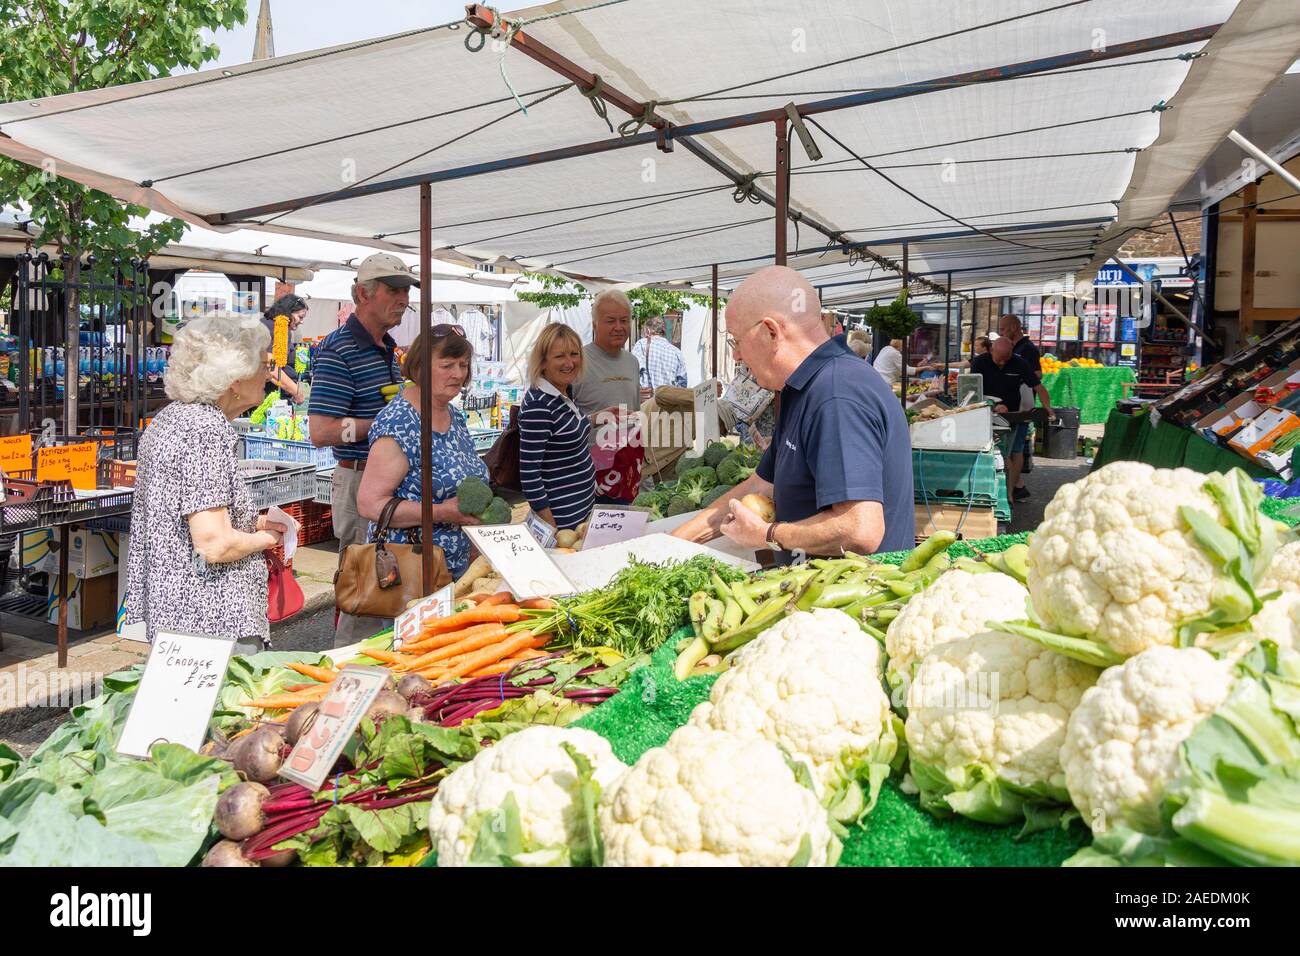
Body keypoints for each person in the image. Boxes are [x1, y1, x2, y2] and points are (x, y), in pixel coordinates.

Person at [672, 266, 915, 560]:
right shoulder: (801, 387)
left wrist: (768, 535)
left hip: (848, 602)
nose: (736, 355)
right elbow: (762, 484)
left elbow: (859, 530)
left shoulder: (837, 394)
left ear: (771, 332)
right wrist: (671, 543)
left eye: (736, 341)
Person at [123, 314, 289, 652]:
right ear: (235, 379)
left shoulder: (171, 418)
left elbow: (185, 515)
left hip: (178, 617)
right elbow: (214, 544)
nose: (269, 374)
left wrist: (252, 521)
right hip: (214, 623)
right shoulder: (205, 430)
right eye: (263, 364)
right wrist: (268, 538)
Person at [353, 327, 486, 643]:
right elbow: (370, 503)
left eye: (463, 365)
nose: (458, 374)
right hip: (413, 573)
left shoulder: (454, 415)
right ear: (421, 366)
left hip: (455, 574)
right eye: (448, 365)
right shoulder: (399, 421)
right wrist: (443, 512)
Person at [308, 253, 415, 642]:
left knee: (388, 585)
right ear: (362, 294)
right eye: (393, 290)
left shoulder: (388, 347)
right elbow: (321, 431)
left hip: (385, 483)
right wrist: (386, 426)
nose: (403, 299)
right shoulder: (339, 351)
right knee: (363, 588)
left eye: (405, 291)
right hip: (358, 483)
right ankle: (347, 674)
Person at [519, 323, 597, 531]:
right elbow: (529, 473)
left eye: (574, 354)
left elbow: (563, 431)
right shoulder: (539, 404)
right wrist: (549, 525)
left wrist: (597, 418)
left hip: (580, 512)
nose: (569, 363)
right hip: (561, 521)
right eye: (560, 356)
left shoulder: (562, 392)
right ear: (543, 361)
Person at [571, 289, 642, 504]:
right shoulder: (576, 362)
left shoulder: (632, 362)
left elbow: (635, 411)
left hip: (628, 468)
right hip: (589, 473)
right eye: (611, 321)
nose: (619, 327)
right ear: (594, 324)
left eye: (624, 320)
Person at [972, 337, 1053, 507]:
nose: (1002, 363)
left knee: (1009, 455)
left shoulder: (1019, 363)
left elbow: (1039, 387)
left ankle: (1007, 494)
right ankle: (989, 492)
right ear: (991, 350)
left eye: (1006, 359)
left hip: (1012, 416)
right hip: (985, 414)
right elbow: (973, 391)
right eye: (998, 359)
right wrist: (993, 405)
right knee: (995, 455)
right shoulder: (979, 362)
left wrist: (1048, 408)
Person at [998, 315, 1043, 502]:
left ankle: (1013, 489)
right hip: (1009, 406)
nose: (1001, 333)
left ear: (1014, 327)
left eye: (1003, 329)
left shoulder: (1028, 348)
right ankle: (1018, 487)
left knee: (1014, 450)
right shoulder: (1012, 346)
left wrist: (1019, 375)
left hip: (1021, 407)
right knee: (1011, 449)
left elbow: (1038, 374)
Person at [263, 293, 308, 404]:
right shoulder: (279, 328)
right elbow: (272, 368)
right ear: (288, 312)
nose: (301, 321)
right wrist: (296, 392)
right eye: (300, 317)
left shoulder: (272, 324)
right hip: (270, 398)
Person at [630, 314, 687, 399]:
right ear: (663, 332)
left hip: (648, 403)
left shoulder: (642, 345)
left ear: (648, 330)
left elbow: (631, 371)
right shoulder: (677, 352)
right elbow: (682, 385)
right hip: (669, 404)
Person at [872, 338, 938, 389]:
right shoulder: (895, 353)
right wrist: (925, 367)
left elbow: (892, 368)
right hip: (885, 383)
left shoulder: (886, 348)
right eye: (906, 344)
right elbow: (907, 370)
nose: (907, 346)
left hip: (877, 380)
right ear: (901, 344)